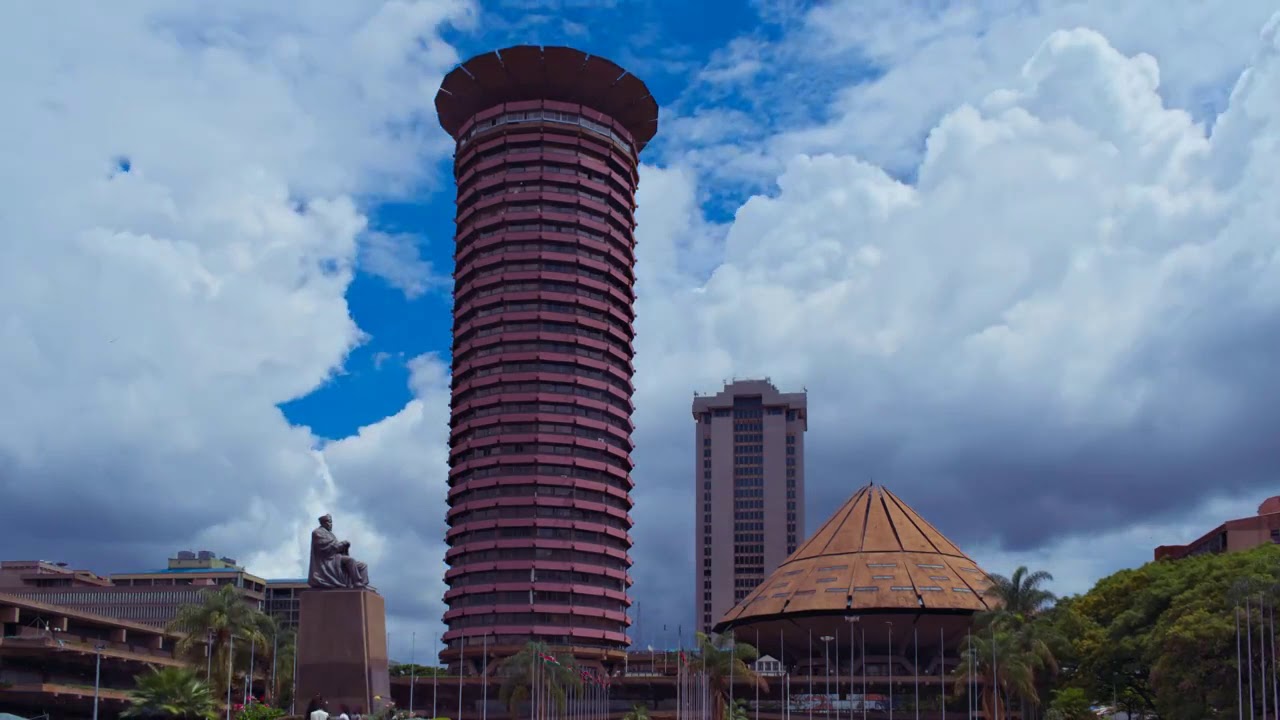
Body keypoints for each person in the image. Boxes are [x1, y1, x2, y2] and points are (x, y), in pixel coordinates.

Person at [308, 513, 371, 589]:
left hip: (336, 557)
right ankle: (357, 582)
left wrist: (344, 546)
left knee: (362, 565)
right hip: (327, 560)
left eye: (331, 522)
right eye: (328, 522)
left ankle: (362, 584)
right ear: (323, 523)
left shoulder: (330, 534)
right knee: (350, 560)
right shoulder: (317, 532)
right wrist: (342, 544)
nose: (331, 524)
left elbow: (336, 547)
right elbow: (327, 548)